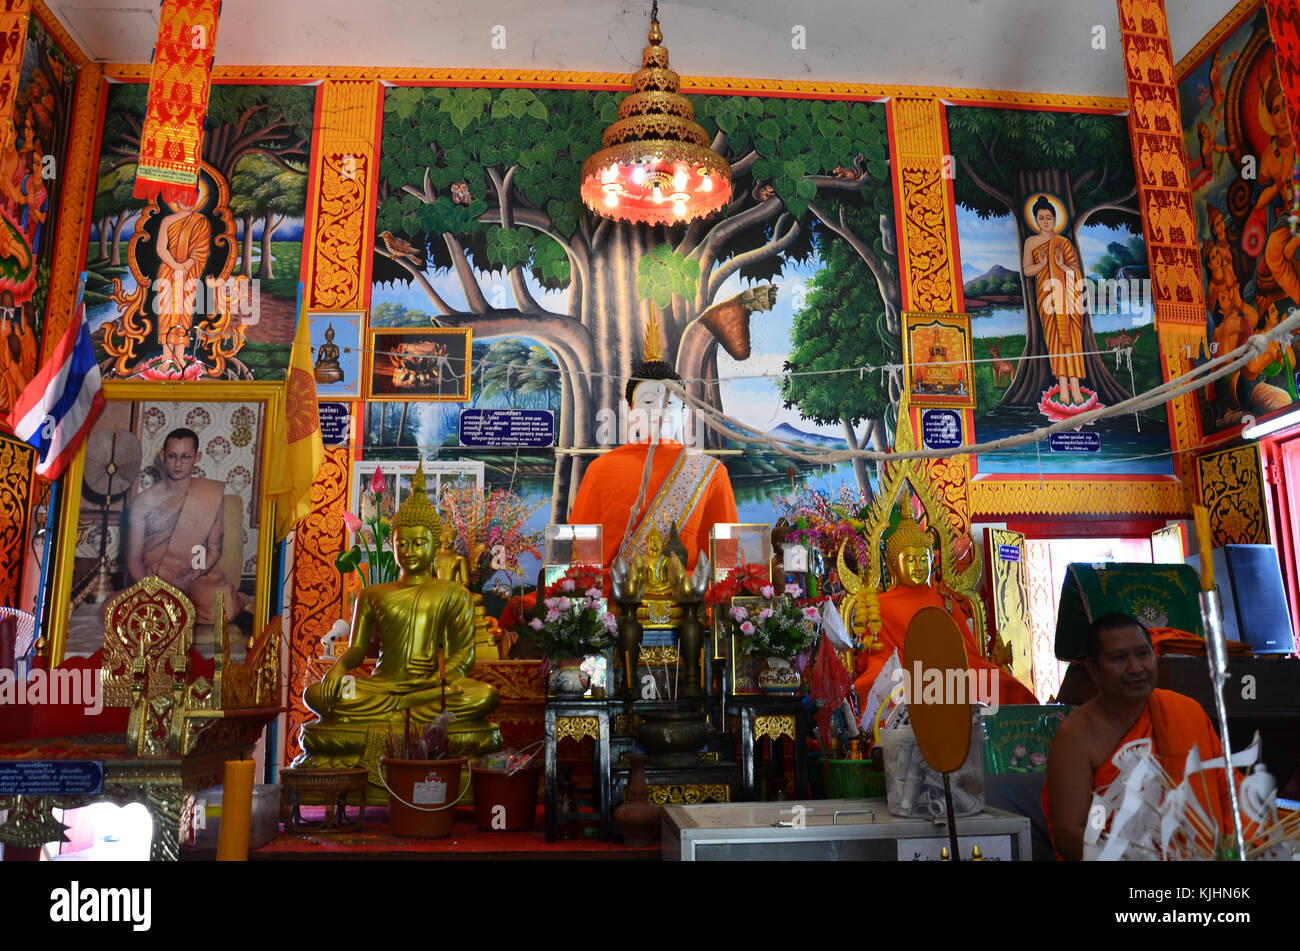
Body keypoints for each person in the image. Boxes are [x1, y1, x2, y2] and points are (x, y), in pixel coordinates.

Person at [300, 465, 501, 773]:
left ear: (434, 545)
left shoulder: (453, 594)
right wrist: (338, 668)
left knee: (483, 695)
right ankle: (403, 720)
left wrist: (437, 683)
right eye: (401, 543)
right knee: (318, 694)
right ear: (392, 545)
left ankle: (395, 721)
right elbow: (356, 649)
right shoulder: (374, 594)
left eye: (419, 543)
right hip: (381, 690)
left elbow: (463, 656)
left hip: (430, 690)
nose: (409, 551)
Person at [1042, 613, 1235, 860]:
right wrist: (1134, 856)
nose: (1136, 668)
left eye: (1143, 654)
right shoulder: (1076, 736)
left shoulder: (1187, 712)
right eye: (1119, 658)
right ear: (1093, 670)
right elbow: (1068, 834)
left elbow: (1226, 795)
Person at [568, 314, 738, 570]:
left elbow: (725, 562)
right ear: (630, 414)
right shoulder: (600, 470)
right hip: (617, 599)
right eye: (648, 401)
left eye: (670, 403)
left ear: (684, 414)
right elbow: (580, 561)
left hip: (688, 599)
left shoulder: (712, 474)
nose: (659, 410)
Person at [851, 510, 1038, 707]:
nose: (918, 567)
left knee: (1002, 683)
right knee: (881, 684)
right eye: (910, 560)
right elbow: (873, 658)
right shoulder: (878, 605)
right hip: (903, 676)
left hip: (949, 675)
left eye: (924, 559)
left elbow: (969, 656)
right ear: (891, 565)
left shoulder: (945, 601)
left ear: (932, 561)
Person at [124, 427, 244, 626]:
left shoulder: (209, 495)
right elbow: (134, 561)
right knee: (117, 611)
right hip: (154, 578)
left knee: (224, 606)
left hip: (196, 576)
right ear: (163, 456)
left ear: (197, 457)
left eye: (185, 457)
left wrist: (188, 578)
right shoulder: (143, 502)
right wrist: (155, 588)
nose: (178, 464)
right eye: (172, 456)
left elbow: (214, 550)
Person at [1022, 195, 1088, 406]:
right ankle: (1063, 389)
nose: (1045, 221)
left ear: (1055, 218)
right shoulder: (1031, 242)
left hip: (1068, 299)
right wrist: (1041, 265)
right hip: (1048, 298)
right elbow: (1027, 270)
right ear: (1035, 220)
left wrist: (1062, 266)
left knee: (1073, 342)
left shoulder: (1063, 242)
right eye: (1041, 218)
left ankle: (1076, 388)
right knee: (1055, 341)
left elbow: (1075, 271)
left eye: (1049, 217)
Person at [153, 183, 211, 370]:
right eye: (183, 197)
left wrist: (185, 267)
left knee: (184, 313)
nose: (187, 202)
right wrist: (176, 266)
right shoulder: (167, 221)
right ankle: (166, 357)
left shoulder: (201, 221)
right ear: (176, 198)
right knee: (166, 313)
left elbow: (201, 251)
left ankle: (179, 356)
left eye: (191, 198)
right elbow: (161, 247)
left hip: (188, 274)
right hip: (169, 272)